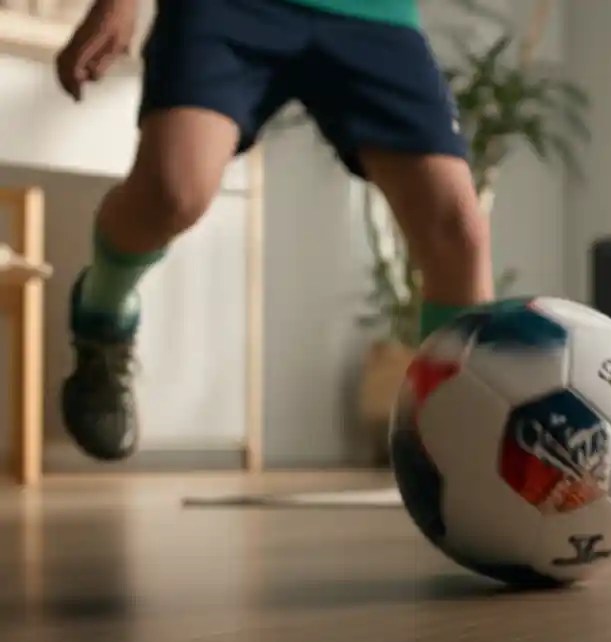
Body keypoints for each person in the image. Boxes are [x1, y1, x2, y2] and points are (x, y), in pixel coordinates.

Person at [54, 0, 492, 461]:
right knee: (172, 193)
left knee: (458, 231)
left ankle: (459, 457)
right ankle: (103, 313)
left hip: (374, 15)